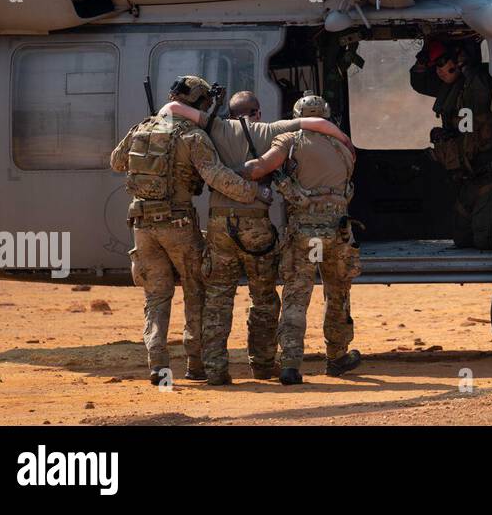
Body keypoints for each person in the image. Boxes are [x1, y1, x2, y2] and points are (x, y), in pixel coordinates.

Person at [158, 90, 353, 385]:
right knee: (265, 298)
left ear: (229, 113)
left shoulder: (218, 128)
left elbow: (175, 107)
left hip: (223, 226)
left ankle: (217, 369)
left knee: (220, 297)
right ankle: (265, 365)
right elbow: (315, 127)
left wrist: (224, 178)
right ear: (258, 112)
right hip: (279, 229)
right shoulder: (278, 131)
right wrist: (342, 136)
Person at [109, 75, 266, 385]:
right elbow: (215, 176)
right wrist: (253, 192)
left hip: (142, 224)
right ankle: (195, 364)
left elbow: (116, 162)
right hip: (178, 225)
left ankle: (158, 365)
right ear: (198, 103)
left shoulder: (142, 127)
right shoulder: (192, 136)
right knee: (196, 290)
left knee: (156, 296)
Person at [242, 94, 361, 385]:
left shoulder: (289, 141)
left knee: (297, 295)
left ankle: (291, 364)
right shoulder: (346, 149)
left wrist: (236, 166)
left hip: (306, 235)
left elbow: (258, 168)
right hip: (338, 233)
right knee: (338, 294)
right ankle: (336, 357)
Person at [409, 39, 492, 251]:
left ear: (459, 59)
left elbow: (480, 89)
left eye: (443, 62)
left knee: (484, 239)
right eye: (435, 66)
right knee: (461, 239)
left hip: (488, 176)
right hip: (467, 179)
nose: (440, 70)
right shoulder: (450, 88)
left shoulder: (479, 81)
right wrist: (422, 61)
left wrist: (466, 67)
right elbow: (420, 83)